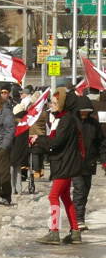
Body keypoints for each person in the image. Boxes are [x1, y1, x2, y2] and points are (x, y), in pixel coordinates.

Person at [35, 88, 84, 245]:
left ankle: (54, 231)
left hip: (64, 163)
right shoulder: (62, 118)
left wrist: (39, 139)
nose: (52, 105)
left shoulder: (66, 120)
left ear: (62, 104)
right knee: (65, 197)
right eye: (51, 102)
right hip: (64, 162)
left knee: (53, 196)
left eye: (55, 103)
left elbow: (56, 143)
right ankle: (75, 231)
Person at [72, 95, 104, 230]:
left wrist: (104, 160)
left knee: (85, 191)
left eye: (87, 110)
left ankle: (79, 218)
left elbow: (101, 143)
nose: (84, 113)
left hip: (89, 163)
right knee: (79, 190)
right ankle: (78, 220)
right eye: (82, 110)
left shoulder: (94, 124)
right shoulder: (72, 122)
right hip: (75, 163)